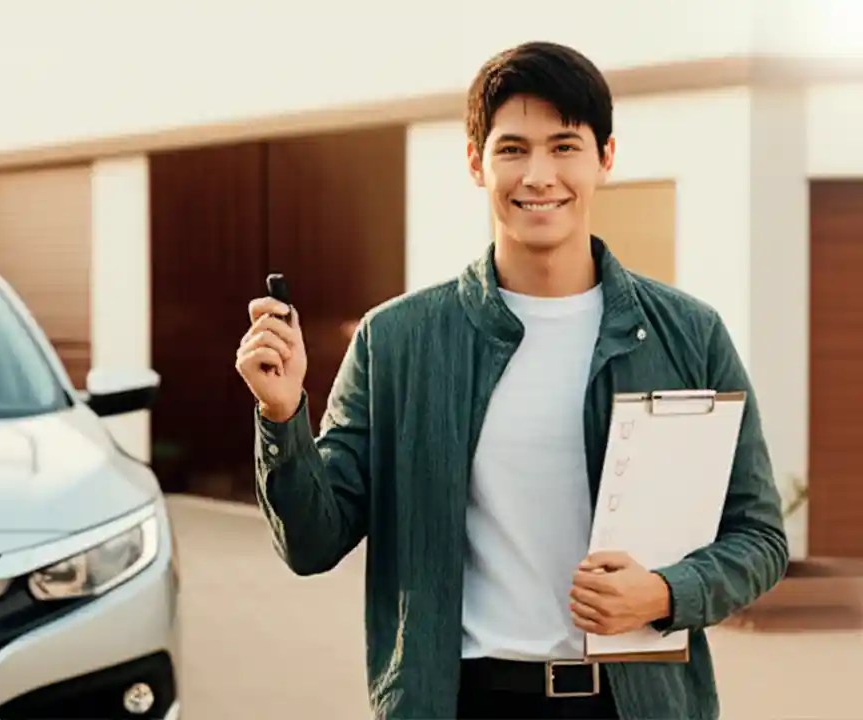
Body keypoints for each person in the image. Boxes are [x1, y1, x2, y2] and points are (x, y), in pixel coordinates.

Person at [234, 41, 788, 720]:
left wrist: (669, 593)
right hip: (463, 701)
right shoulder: (397, 342)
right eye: (512, 149)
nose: (538, 175)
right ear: (476, 162)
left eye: (563, 147)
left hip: (634, 703)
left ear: (604, 158)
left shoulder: (688, 334)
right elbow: (313, 543)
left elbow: (759, 536)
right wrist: (282, 413)